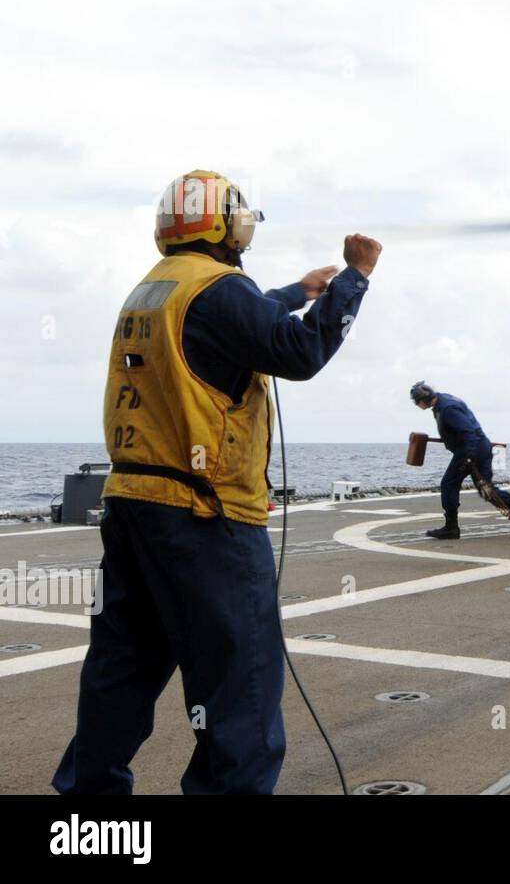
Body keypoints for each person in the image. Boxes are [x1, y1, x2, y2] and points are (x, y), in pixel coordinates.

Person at [53, 169, 381, 795]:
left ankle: (88, 814)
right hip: (206, 516)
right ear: (224, 225)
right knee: (241, 683)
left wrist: (292, 291)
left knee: (121, 670)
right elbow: (299, 355)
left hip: (133, 506)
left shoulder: (154, 290)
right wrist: (354, 281)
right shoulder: (222, 288)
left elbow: (223, 328)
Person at [410, 381, 510, 540]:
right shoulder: (443, 401)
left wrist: (468, 457)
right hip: (479, 448)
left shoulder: (447, 409)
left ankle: (451, 528)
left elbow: (468, 432)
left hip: (472, 450)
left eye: (416, 401)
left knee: (448, 484)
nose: (416, 404)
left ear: (423, 398)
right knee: (487, 491)